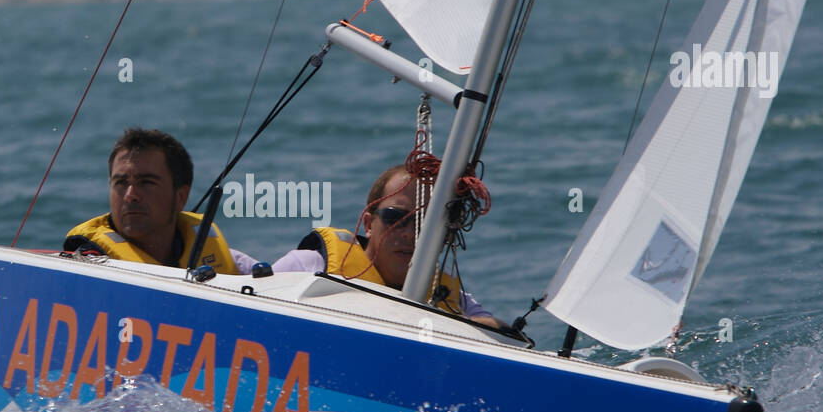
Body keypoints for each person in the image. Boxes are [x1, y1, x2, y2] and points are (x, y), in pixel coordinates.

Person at [274, 163, 511, 329]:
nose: (409, 234)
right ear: (369, 223)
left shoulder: (455, 302)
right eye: (395, 217)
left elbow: (500, 334)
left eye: (426, 224)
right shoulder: (308, 265)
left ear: (444, 235)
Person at [65, 127, 255, 274]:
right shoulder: (88, 266)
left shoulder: (219, 255)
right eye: (121, 182)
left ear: (181, 197)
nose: (131, 194)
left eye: (146, 182)